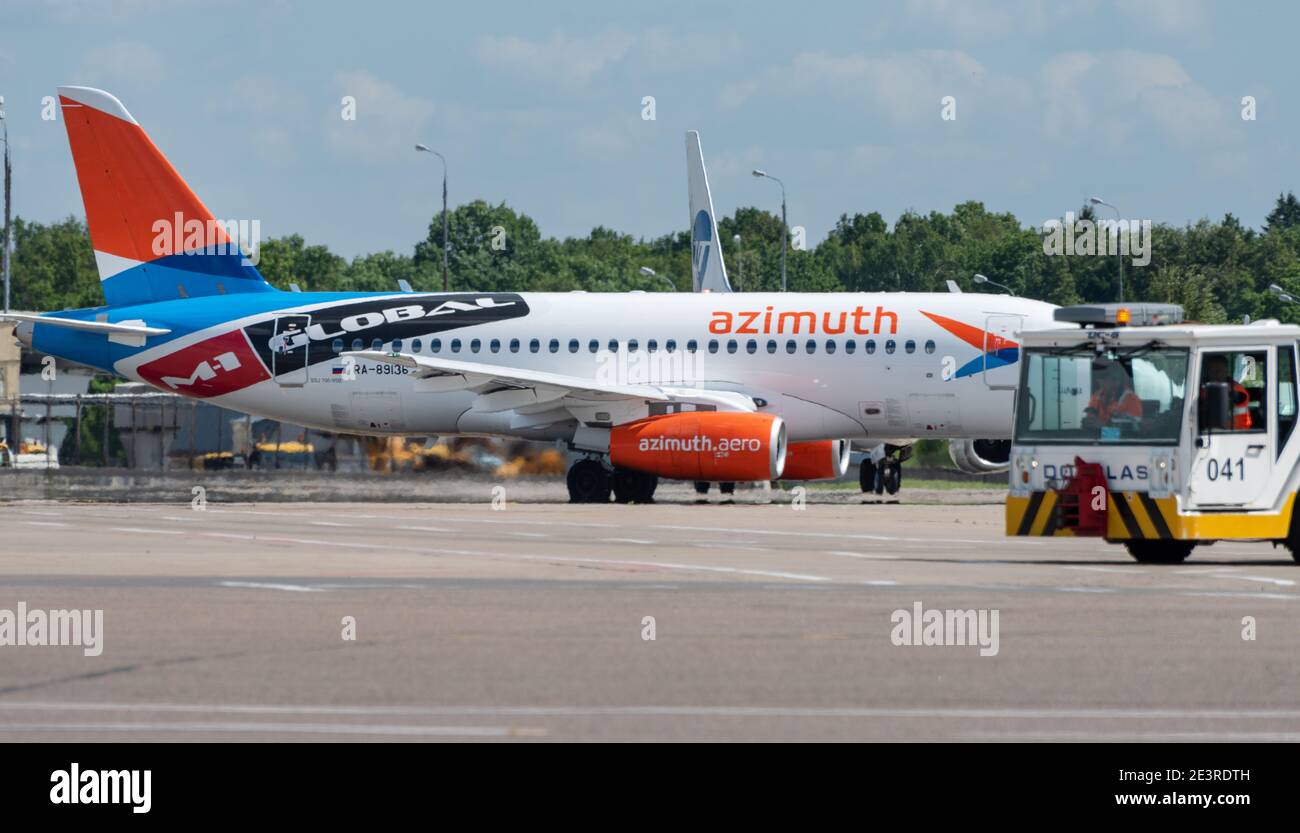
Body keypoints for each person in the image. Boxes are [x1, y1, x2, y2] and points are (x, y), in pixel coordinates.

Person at [1201, 354, 1252, 429]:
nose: (1217, 374)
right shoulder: (1202, 388)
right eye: (1213, 371)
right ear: (1208, 372)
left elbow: (1235, 397)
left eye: (1220, 371)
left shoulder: (1236, 389)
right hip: (1214, 433)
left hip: (1238, 433)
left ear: (1226, 371)